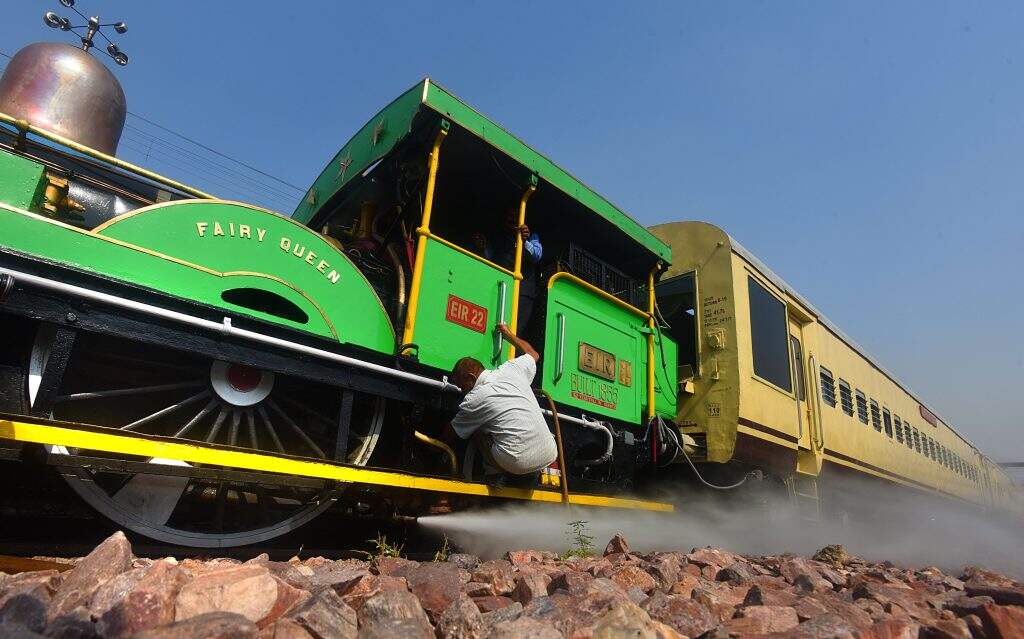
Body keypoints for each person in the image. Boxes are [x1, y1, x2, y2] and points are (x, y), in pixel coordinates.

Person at [449, 323, 557, 484]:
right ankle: (529, 474)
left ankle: (495, 475)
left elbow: (453, 433)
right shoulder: (511, 369)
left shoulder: (475, 399)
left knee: (477, 429)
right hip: (549, 453)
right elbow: (533, 354)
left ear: (471, 378)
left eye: (461, 386)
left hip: (517, 463)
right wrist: (508, 334)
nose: (462, 391)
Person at [471, 206, 542, 331]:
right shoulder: (498, 237)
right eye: (509, 215)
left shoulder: (531, 236)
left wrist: (524, 241)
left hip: (523, 291)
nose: (512, 219)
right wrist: (483, 248)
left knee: (516, 328)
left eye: (516, 216)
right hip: (499, 286)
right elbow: (491, 257)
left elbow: (537, 255)